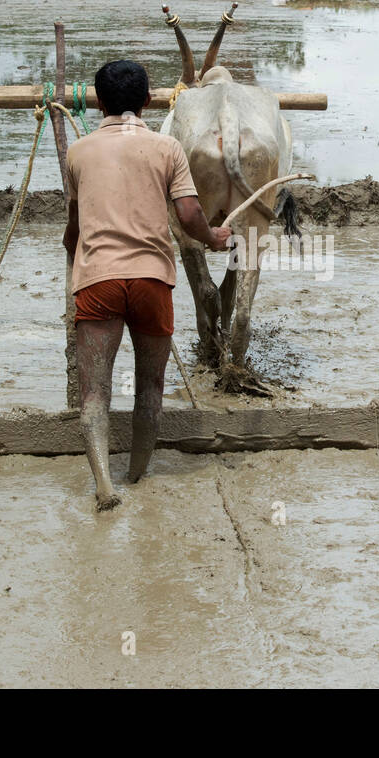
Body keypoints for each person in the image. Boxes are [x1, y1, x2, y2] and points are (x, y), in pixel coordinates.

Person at [63, 60, 231, 511]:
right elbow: (190, 215)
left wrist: (74, 261)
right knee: (150, 388)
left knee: (93, 393)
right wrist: (214, 238)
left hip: (98, 280)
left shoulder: (78, 151)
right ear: (148, 101)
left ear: (98, 102)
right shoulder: (168, 147)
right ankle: (137, 475)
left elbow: (73, 228)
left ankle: (103, 484)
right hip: (152, 281)